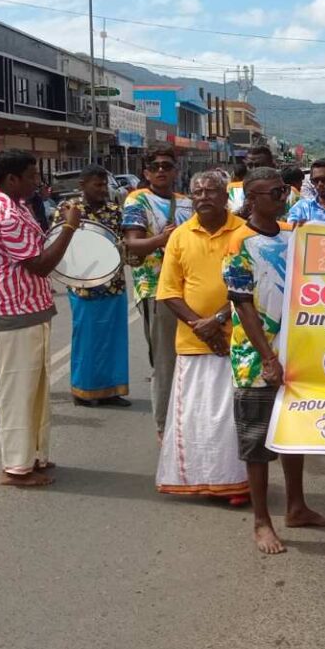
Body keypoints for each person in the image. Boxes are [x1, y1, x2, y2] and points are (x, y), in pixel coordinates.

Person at [225, 167, 325, 553]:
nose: (281, 198)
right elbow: (243, 305)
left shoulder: (294, 235)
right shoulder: (239, 242)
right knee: (257, 441)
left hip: (298, 354)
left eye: (283, 191)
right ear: (252, 199)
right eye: (272, 193)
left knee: (294, 433)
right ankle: (261, 521)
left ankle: (297, 506)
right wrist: (268, 357)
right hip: (256, 359)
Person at [0, 149, 81, 488]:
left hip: (29, 310)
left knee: (35, 392)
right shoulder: (5, 213)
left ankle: (32, 457)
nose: (37, 182)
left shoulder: (17, 206)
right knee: (17, 395)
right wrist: (69, 227)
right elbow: (38, 264)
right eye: (31, 176)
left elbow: (35, 247)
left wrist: (60, 225)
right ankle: (16, 468)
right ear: (12, 179)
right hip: (14, 313)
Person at [156, 170, 252, 502]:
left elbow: (254, 285)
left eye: (211, 191)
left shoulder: (244, 232)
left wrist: (220, 319)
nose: (203, 197)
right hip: (194, 342)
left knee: (231, 420)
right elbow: (169, 292)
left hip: (238, 340)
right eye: (197, 192)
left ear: (225, 196)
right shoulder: (179, 236)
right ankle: (201, 480)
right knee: (196, 419)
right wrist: (202, 326)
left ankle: (236, 485)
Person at [123, 148, 194, 438]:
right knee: (165, 360)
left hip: (191, 288)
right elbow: (132, 244)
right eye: (155, 167)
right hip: (157, 288)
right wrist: (165, 238)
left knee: (192, 358)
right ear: (146, 173)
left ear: (176, 170)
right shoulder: (137, 200)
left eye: (167, 165)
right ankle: (164, 427)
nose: (161, 170)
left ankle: (189, 420)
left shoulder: (188, 202)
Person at [54, 166, 131, 408]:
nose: (102, 189)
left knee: (114, 339)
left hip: (114, 285)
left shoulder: (115, 211)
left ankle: (112, 390)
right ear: (82, 185)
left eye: (104, 184)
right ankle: (84, 391)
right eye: (97, 185)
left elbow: (125, 244)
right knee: (87, 340)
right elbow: (57, 242)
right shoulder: (69, 210)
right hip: (84, 287)